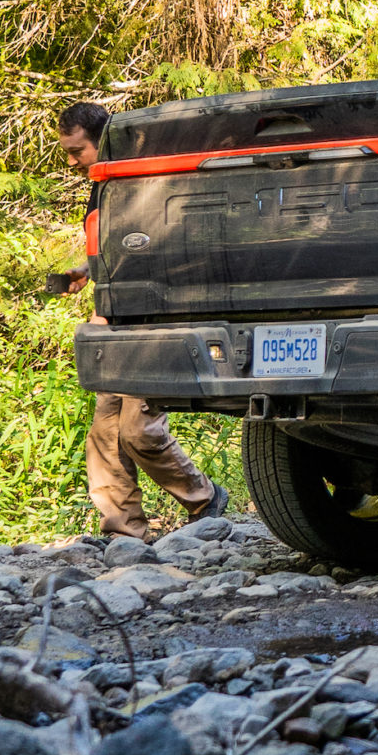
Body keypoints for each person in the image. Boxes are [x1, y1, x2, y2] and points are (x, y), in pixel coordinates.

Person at [56, 101, 229, 540]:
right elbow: (120, 249)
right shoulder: (104, 186)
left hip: (147, 323)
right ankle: (125, 531)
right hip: (113, 321)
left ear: (103, 140)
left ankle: (205, 497)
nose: (73, 162)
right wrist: (86, 271)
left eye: (78, 151)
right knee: (105, 435)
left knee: (137, 429)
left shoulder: (145, 181)